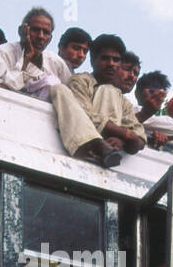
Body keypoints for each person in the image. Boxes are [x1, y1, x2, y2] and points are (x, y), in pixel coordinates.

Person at [48, 33, 145, 167]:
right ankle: (98, 144)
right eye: (105, 58)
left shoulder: (123, 101)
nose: (111, 64)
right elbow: (85, 115)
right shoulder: (80, 81)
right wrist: (125, 134)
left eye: (116, 60)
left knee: (110, 90)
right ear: (93, 60)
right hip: (84, 141)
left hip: (111, 151)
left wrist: (122, 141)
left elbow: (139, 140)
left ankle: (105, 148)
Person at [0, 7, 71, 101]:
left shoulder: (56, 62)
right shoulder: (4, 52)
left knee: (53, 82)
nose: (40, 36)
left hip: (45, 114)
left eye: (46, 32)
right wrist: (25, 60)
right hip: (8, 109)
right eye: (35, 30)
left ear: (50, 38)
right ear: (21, 31)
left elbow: (70, 95)